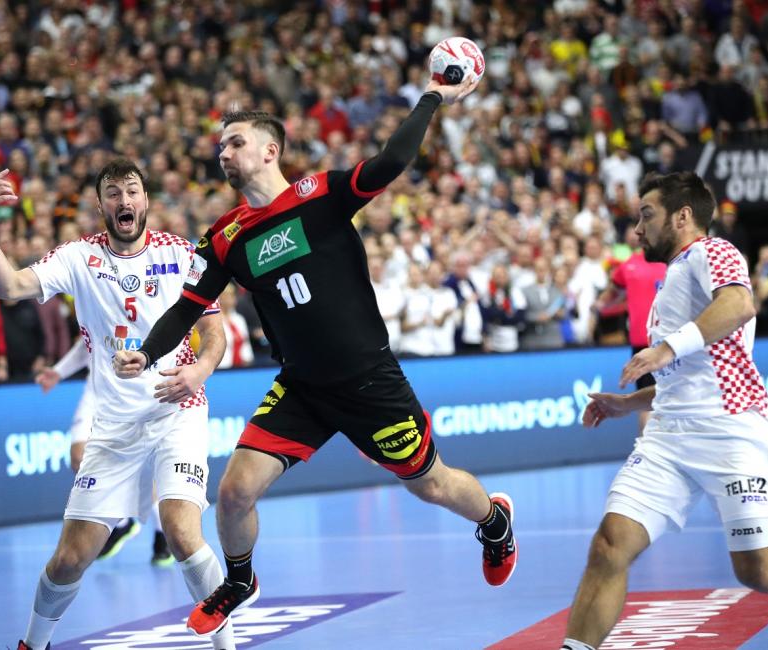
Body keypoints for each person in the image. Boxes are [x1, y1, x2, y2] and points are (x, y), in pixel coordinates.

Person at [114, 77, 518, 638]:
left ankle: (494, 521)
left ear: (270, 150)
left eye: (235, 142)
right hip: (301, 387)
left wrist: (432, 96)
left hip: (369, 382)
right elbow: (188, 307)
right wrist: (146, 352)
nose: (223, 152)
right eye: (221, 145)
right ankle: (240, 580)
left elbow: (391, 161)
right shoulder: (225, 236)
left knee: (431, 484)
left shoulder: (322, 194)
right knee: (233, 493)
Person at [560, 171, 768, 650]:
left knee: (759, 571)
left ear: (682, 216)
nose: (637, 229)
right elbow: (689, 376)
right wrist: (628, 404)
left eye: (647, 215)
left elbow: (740, 304)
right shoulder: (670, 282)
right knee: (609, 544)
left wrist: (664, 349)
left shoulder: (714, 251)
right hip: (668, 437)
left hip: (731, 432)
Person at [0, 159, 237, 650]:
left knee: (181, 532)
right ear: (101, 206)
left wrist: (199, 371)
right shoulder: (79, 257)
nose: (124, 201)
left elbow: (214, 332)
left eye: (131, 190)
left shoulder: (181, 252)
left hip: (176, 410)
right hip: (113, 425)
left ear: (145, 199)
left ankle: (227, 647)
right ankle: (33, 644)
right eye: (113, 193)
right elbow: (7, 287)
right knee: (70, 559)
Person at [35, 337, 174, 566]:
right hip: (98, 389)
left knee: (140, 466)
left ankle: (162, 534)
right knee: (78, 457)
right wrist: (58, 372)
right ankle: (123, 523)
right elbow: (87, 343)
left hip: (136, 391)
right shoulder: (91, 313)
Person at [604, 227, 666, 431]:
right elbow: (614, 293)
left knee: (649, 403)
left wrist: (601, 305)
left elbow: (612, 294)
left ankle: (647, 446)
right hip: (655, 343)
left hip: (662, 343)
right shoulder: (630, 266)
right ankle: (647, 445)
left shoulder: (668, 264)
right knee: (652, 403)